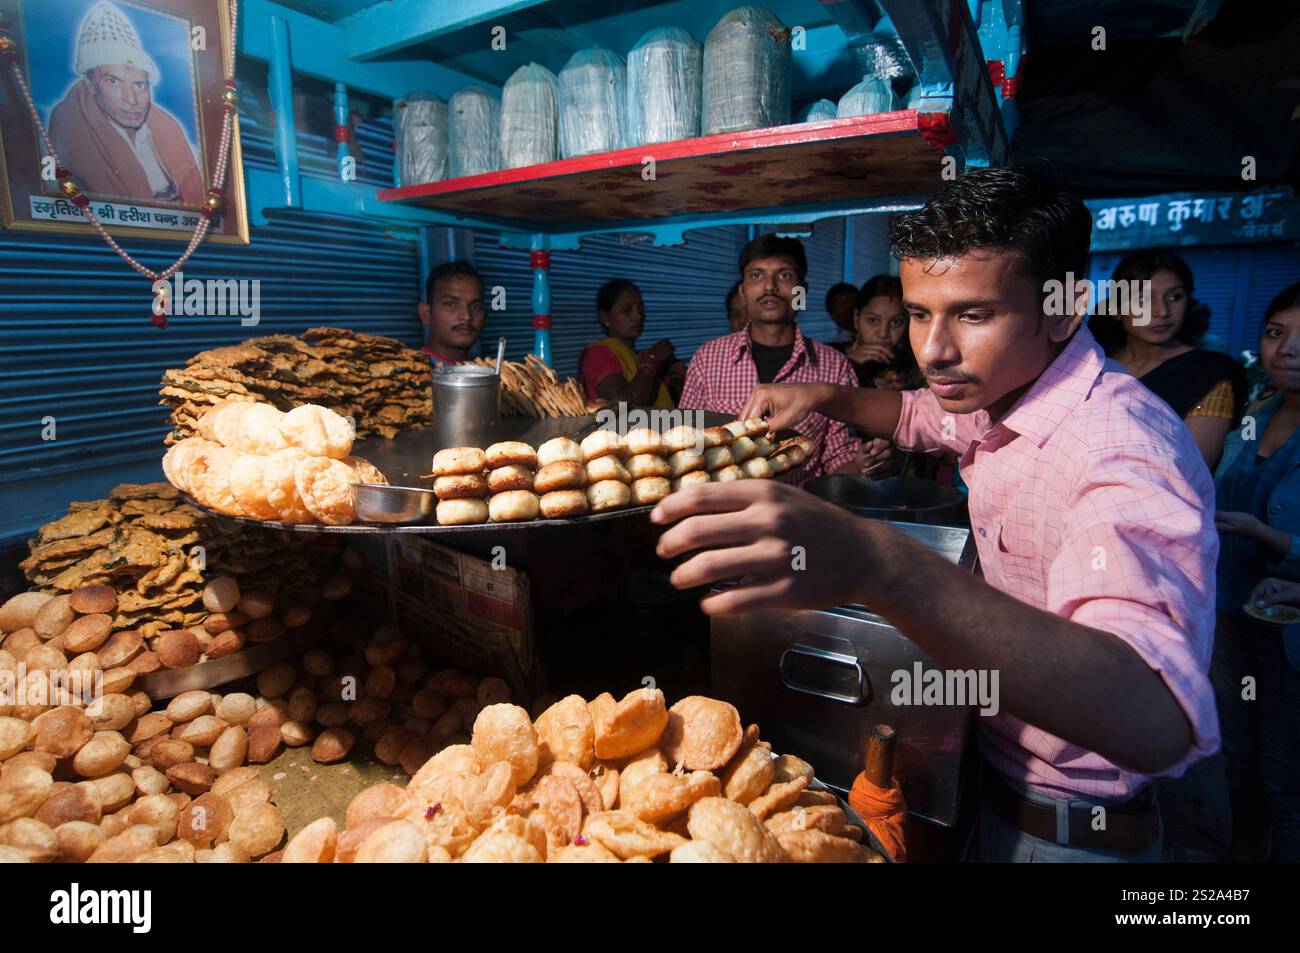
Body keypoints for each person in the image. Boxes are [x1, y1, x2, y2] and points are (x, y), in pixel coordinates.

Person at [653, 167, 1218, 863]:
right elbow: (915, 415)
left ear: (1063, 309)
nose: (932, 351)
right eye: (920, 313)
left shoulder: (1119, 448)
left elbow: (1155, 715)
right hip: (994, 791)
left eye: (973, 314)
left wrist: (880, 565)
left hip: (1076, 834)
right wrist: (823, 393)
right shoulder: (1002, 389)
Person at [1210, 280, 1300, 862]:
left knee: (1286, 779)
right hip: (1230, 615)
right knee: (1235, 763)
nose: (1287, 349)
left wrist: (1268, 537)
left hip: (1290, 637)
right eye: (1276, 332)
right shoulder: (1255, 410)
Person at [679, 234, 858, 481]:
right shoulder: (707, 359)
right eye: (757, 275)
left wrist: (865, 464)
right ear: (742, 293)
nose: (770, 286)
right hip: (722, 512)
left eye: (784, 275)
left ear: (801, 293)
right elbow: (687, 443)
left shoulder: (834, 366)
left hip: (798, 512)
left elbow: (840, 456)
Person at [1091, 250, 1247, 468]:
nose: (1162, 311)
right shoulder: (1092, 367)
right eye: (1143, 298)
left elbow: (1191, 470)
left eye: (1175, 297)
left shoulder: (1211, 373)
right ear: (1116, 308)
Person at [48, 2, 203, 206]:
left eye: (139, 85)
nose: (131, 100)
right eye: (113, 81)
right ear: (90, 84)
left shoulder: (166, 126)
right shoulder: (69, 125)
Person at [835, 275, 935, 479]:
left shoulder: (918, 369)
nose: (883, 333)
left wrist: (902, 397)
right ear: (856, 318)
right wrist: (849, 363)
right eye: (872, 320)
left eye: (896, 322)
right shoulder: (830, 359)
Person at [578, 279, 679, 408]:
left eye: (640, 308)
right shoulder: (598, 354)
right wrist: (653, 359)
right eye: (627, 310)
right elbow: (624, 408)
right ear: (604, 317)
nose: (638, 316)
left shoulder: (638, 357)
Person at [418, 261, 485, 365]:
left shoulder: (488, 375)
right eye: (450, 303)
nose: (467, 316)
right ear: (426, 313)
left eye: (475, 306)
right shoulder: (408, 376)